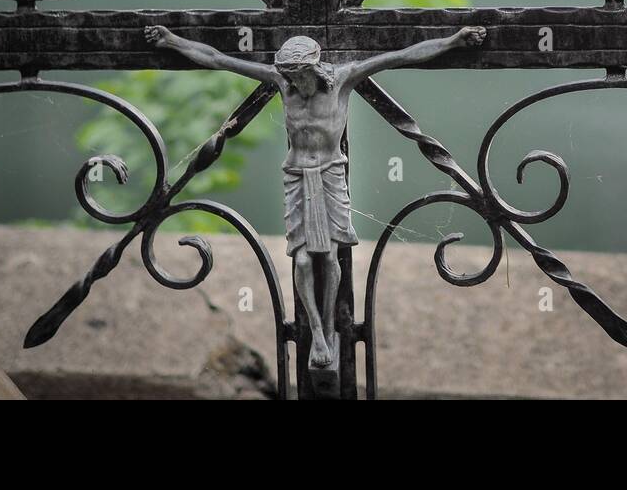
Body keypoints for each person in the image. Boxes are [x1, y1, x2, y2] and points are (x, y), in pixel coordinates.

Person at [143, 23, 486, 371]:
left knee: (331, 257)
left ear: (313, 67)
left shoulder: (344, 79)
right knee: (304, 260)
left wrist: (454, 40)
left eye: (299, 74)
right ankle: (318, 335)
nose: (294, 82)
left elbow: (400, 55)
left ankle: (329, 328)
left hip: (330, 173)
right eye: (288, 74)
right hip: (296, 176)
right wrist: (172, 41)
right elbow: (218, 58)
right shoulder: (282, 82)